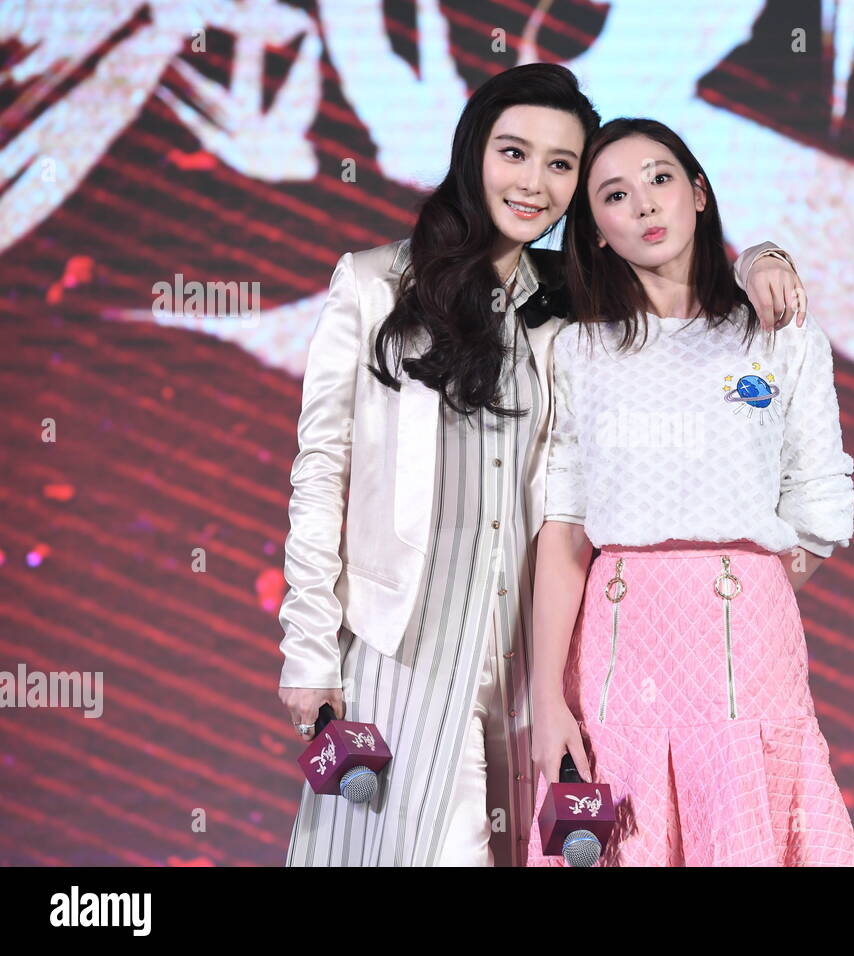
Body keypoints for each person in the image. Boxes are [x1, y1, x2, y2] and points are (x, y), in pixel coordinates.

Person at [277, 65, 808, 867]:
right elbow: (321, 474)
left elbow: (681, 283)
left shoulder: (576, 302)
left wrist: (761, 256)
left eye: (562, 165)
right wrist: (309, 650)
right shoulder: (373, 285)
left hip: (538, 657)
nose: (535, 184)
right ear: (473, 155)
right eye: (514, 153)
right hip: (402, 648)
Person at [527, 117, 854, 866]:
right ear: (598, 231)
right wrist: (547, 698)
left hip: (747, 641)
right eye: (615, 195)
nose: (644, 205)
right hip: (617, 646)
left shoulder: (780, 333)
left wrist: (746, 584)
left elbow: (819, 497)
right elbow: (565, 526)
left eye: (660, 179)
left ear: (700, 192)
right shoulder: (579, 349)